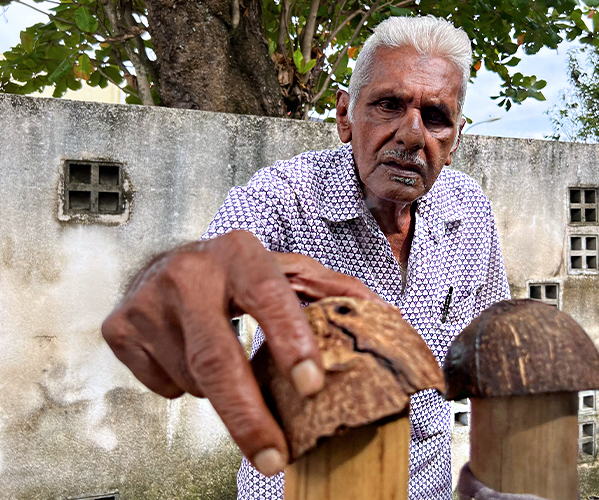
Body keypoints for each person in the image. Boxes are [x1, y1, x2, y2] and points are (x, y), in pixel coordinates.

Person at [101, 15, 510, 500]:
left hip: (424, 486)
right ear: (344, 115)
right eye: (388, 105)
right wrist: (172, 280)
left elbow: (491, 350)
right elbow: (213, 264)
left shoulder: (468, 209)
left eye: (436, 116)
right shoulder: (284, 196)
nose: (412, 134)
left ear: (455, 137)